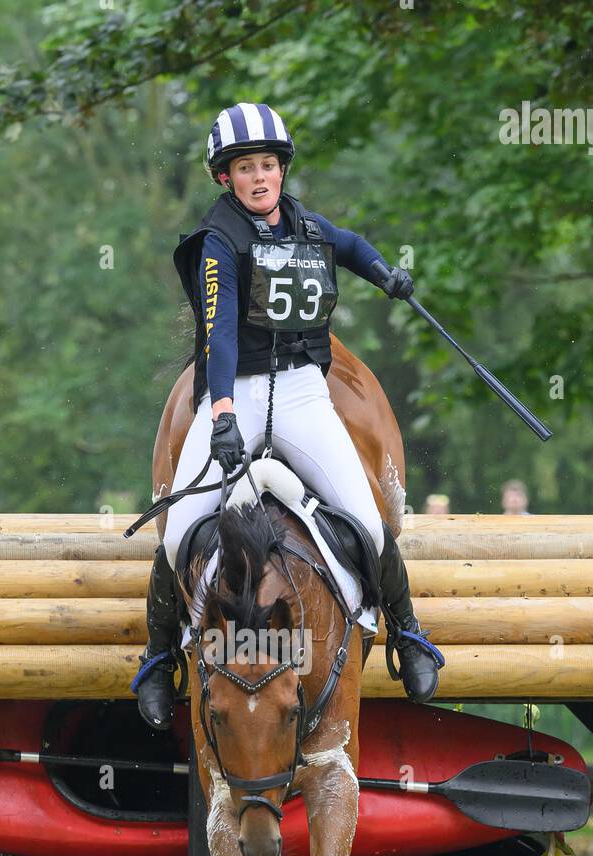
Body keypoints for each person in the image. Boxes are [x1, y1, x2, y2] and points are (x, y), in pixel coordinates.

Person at [134, 101, 444, 730]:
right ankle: (159, 656)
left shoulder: (302, 223)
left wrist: (386, 274)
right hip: (238, 394)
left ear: (281, 170)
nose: (259, 177)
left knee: (369, 521)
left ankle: (408, 633)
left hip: (304, 393)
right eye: (246, 168)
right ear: (226, 177)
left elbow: (349, 245)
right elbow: (218, 336)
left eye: (268, 166)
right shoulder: (217, 242)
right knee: (174, 535)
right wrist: (219, 413)